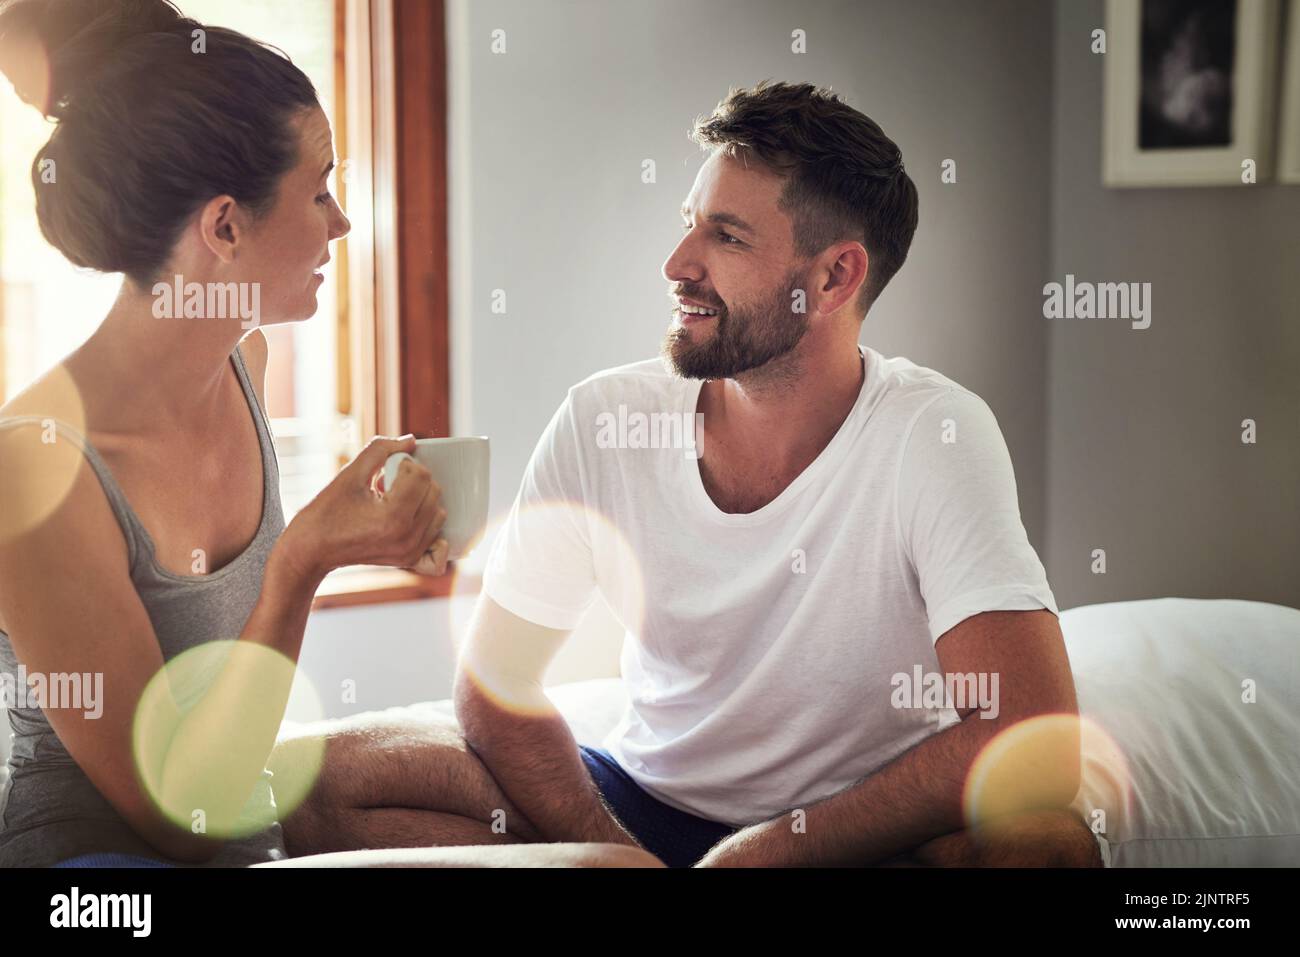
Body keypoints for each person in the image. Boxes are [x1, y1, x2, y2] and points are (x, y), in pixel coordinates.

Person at [284, 81, 1101, 868]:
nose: (679, 263)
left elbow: (1032, 730)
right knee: (318, 782)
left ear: (834, 277)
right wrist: (614, 852)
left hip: (850, 833)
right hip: (638, 804)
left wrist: (773, 849)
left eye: (728, 236)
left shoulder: (933, 433)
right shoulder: (604, 418)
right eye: (689, 224)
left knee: (1047, 847)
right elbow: (494, 687)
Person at [0, 0, 660, 870]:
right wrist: (307, 557)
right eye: (319, 192)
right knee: (596, 869)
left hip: (235, 804)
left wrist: (365, 535)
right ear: (225, 227)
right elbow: (179, 816)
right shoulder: (34, 466)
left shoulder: (246, 361)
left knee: (516, 801)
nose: (342, 224)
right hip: (107, 870)